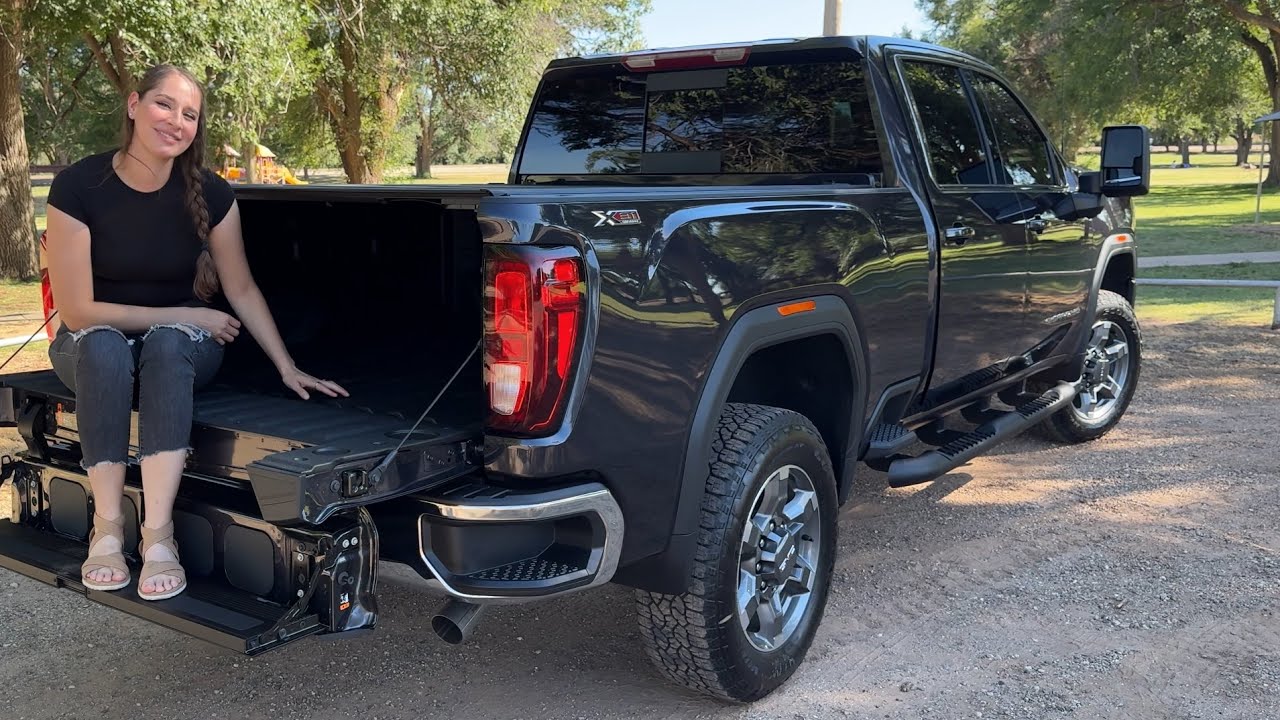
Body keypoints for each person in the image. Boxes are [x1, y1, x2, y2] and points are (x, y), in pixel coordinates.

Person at [43, 63, 348, 601]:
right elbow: (76, 312)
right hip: (91, 344)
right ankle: (108, 528)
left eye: (190, 114)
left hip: (177, 349)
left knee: (165, 343)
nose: (176, 121)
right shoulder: (79, 186)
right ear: (134, 105)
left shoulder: (211, 192)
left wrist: (286, 365)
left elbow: (243, 290)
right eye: (164, 104)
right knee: (107, 345)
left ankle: (158, 536)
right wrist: (188, 316)